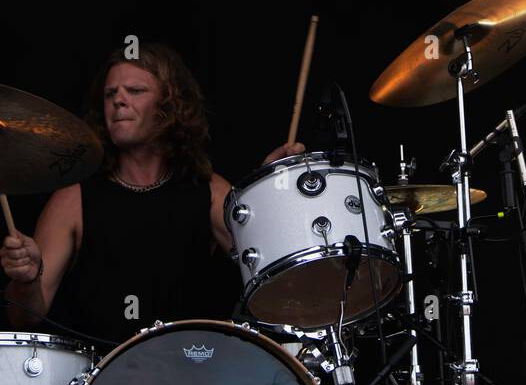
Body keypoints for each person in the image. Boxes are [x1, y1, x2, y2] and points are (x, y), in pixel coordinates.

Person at [0, 43, 303, 346]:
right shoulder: (73, 199)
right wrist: (26, 278)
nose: (119, 100)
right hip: (107, 379)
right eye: (110, 94)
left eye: (134, 91)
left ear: (168, 107)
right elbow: (25, 316)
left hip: (194, 371)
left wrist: (268, 191)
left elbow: (273, 271)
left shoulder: (207, 190)